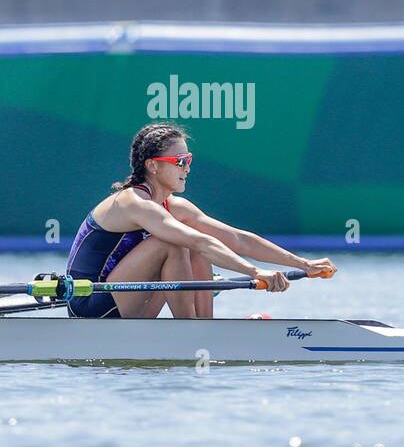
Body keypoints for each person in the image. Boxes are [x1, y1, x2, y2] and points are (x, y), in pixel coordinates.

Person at [65, 122, 336, 318]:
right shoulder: (132, 202)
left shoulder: (175, 206)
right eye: (179, 161)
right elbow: (198, 241)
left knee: (192, 239)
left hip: (124, 301)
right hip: (90, 303)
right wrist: (255, 273)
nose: (187, 168)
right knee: (176, 243)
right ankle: (192, 332)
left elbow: (237, 238)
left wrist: (303, 263)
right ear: (152, 165)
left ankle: (204, 328)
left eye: (189, 159)